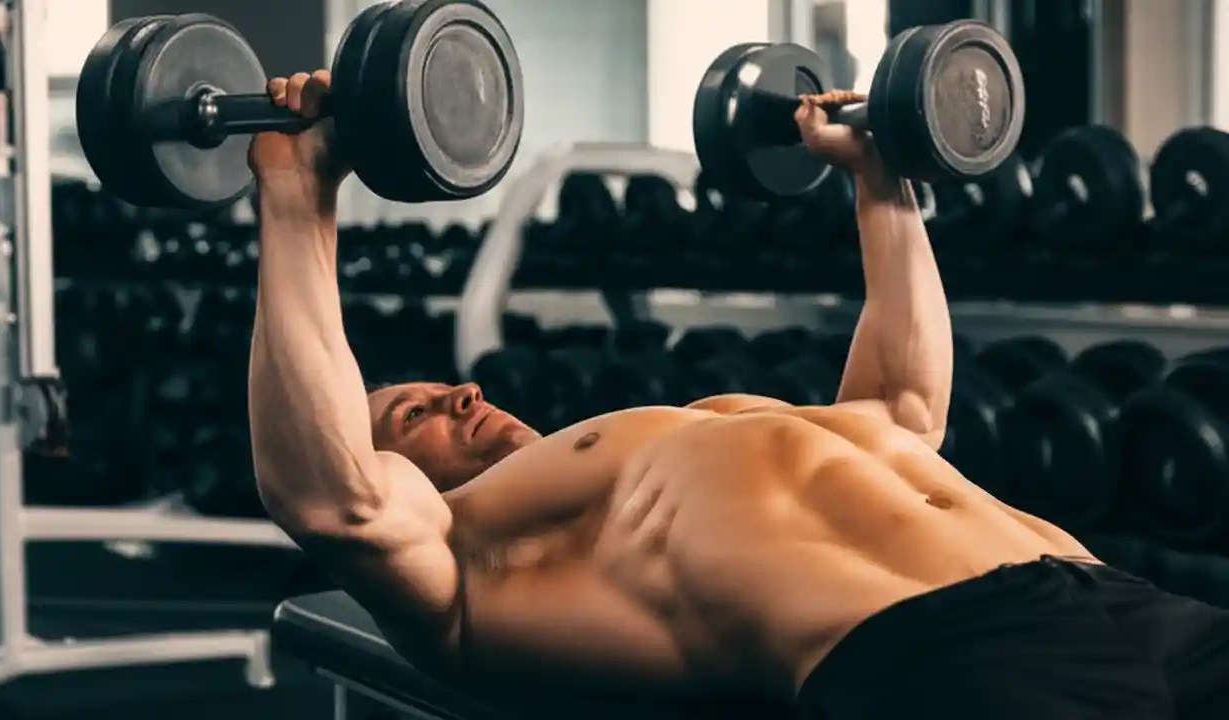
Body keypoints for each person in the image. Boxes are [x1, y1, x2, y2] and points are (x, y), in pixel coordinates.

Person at [247, 70, 1229, 720]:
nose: (460, 392)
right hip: (952, 655)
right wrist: (298, 197)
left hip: (1118, 599)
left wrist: (878, 183)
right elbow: (333, 496)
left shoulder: (667, 438)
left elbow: (902, 409)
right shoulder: (462, 560)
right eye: (410, 412)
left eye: (443, 386)